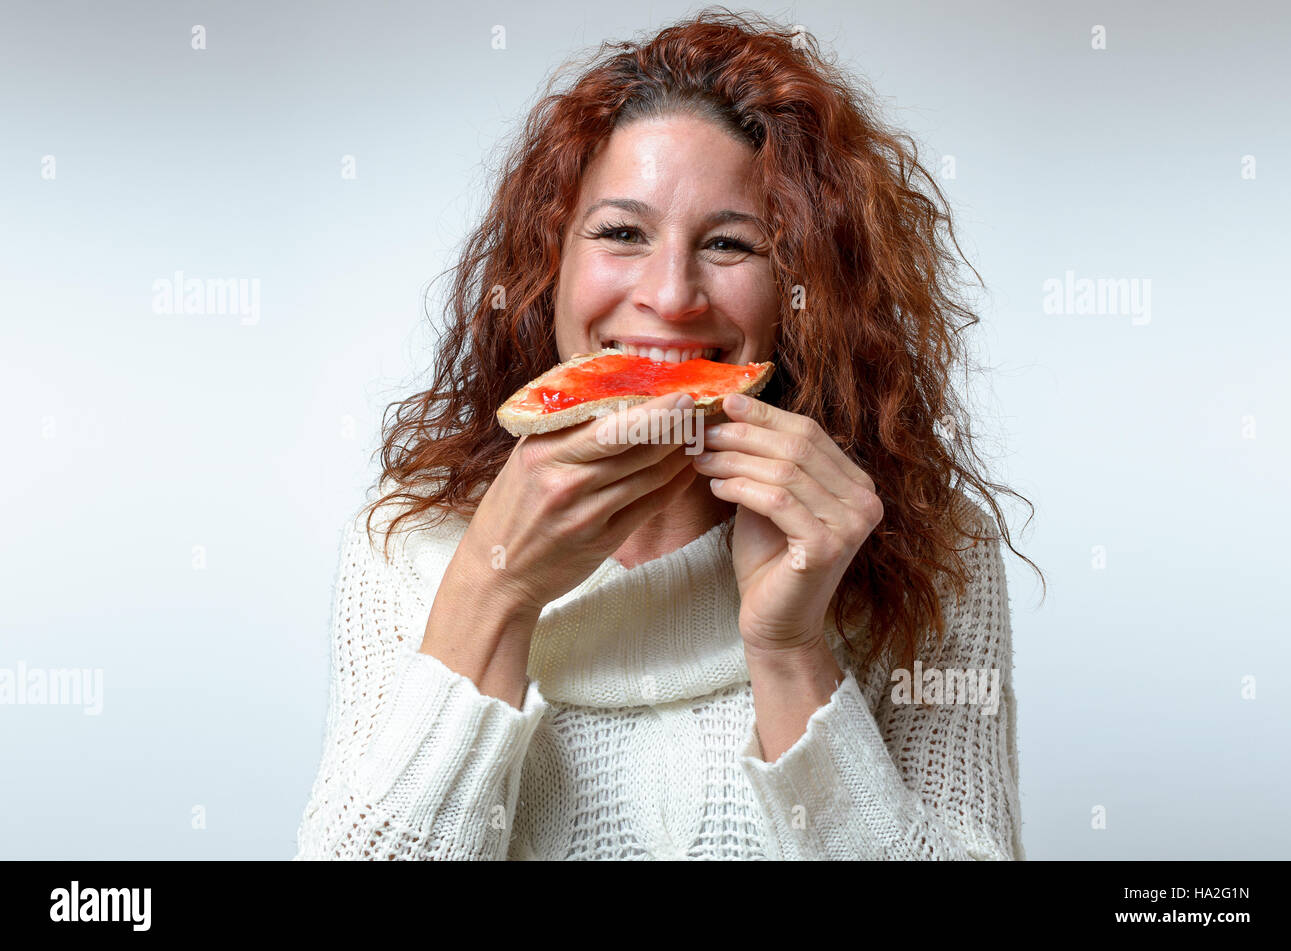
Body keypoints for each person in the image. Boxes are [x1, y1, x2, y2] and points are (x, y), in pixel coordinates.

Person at [294, 9, 1043, 861]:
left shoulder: (921, 551)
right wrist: (492, 588)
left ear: (806, 286)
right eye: (621, 233)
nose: (672, 296)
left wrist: (790, 648)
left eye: (731, 243)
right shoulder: (409, 543)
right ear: (547, 267)